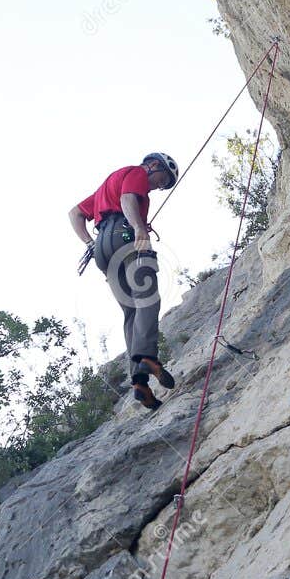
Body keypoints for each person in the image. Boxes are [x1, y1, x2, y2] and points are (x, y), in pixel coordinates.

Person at [68, 152, 180, 411]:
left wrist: (89, 242)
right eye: (162, 180)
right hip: (125, 236)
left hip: (102, 250)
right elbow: (128, 198)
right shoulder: (137, 173)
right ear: (154, 165)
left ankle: (140, 382)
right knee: (148, 299)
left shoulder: (106, 187)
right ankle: (147, 358)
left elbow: (75, 213)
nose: (159, 187)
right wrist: (139, 228)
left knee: (131, 312)